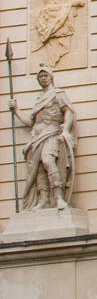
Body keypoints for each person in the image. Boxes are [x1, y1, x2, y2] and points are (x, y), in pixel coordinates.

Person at [9, 67, 76, 210]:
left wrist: (66, 131)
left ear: (51, 77)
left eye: (45, 75)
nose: (43, 78)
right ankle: (44, 199)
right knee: (38, 168)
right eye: (40, 77)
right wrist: (16, 111)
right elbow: (30, 122)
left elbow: (69, 112)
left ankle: (59, 197)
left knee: (48, 160)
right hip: (37, 136)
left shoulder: (58, 94)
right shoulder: (39, 100)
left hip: (51, 132)